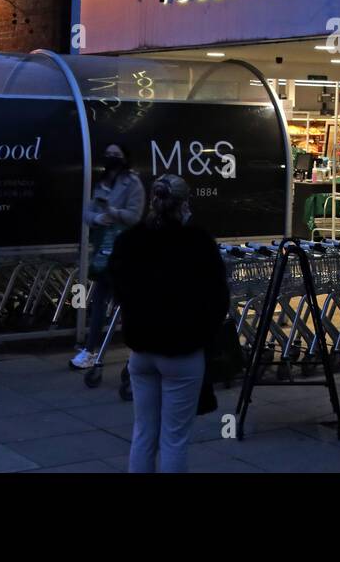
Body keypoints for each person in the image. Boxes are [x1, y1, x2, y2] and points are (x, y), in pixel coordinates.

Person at [109, 175, 230, 473]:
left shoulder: (131, 240)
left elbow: (116, 285)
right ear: (184, 203)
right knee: (174, 438)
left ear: (153, 201)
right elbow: (218, 298)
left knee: (143, 433)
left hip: (141, 351)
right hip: (182, 351)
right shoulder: (198, 242)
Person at [70, 144, 145, 369]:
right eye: (108, 154)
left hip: (124, 252)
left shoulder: (133, 183)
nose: (111, 158)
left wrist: (112, 212)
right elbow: (88, 212)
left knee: (128, 304)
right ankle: (91, 349)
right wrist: (98, 218)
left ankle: (140, 350)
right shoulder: (102, 182)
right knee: (99, 301)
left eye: (116, 155)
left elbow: (134, 216)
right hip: (104, 250)